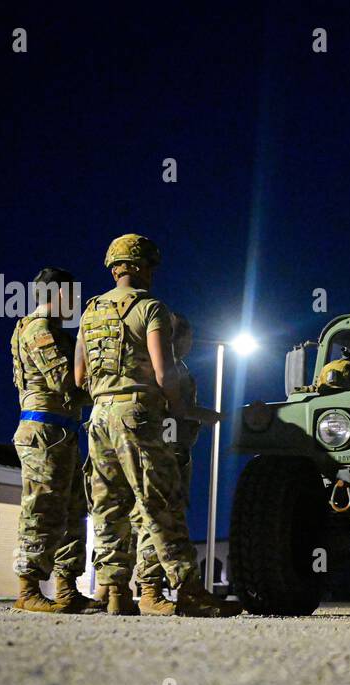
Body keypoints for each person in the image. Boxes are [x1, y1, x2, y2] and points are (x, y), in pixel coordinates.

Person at [74, 233, 238, 617]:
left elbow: (79, 376)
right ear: (143, 266)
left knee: (109, 503)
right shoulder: (151, 308)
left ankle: (114, 592)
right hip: (138, 413)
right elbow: (164, 371)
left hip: (98, 417)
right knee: (159, 501)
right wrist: (177, 407)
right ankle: (188, 590)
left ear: (114, 267)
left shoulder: (90, 310)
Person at [10, 267, 98, 613]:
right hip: (43, 430)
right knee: (42, 508)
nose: (75, 302)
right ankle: (28, 589)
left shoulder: (51, 329)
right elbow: (65, 381)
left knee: (73, 510)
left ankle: (67, 588)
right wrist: (109, 388)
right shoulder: (39, 329)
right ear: (58, 294)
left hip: (61, 431)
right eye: (72, 295)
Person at [131, 312, 215, 613]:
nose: (192, 344)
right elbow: (179, 410)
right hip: (165, 454)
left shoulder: (173, 366)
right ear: (177, 338)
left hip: (173, 453)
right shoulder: (167, 368)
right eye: (188, 337)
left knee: (158, 517)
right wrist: (213, 417)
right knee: (156, 519)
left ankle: (138, 588)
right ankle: (150, 589)